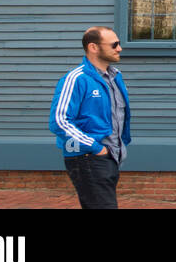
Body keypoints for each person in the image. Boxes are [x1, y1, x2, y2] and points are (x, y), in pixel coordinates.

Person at [48, 26, 131, 209]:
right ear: (94, 47)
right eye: (114, 44)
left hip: (110, 157)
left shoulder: (116, 77)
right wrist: (95, 147)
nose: (119, 48)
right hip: (88, 157)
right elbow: (59, 121)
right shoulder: (76, 79)